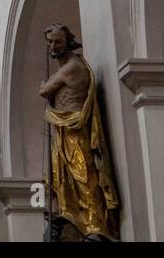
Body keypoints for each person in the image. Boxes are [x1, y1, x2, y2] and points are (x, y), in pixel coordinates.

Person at [39, 23, 120, 241]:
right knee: (62, 176)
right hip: (64, 129)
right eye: (50, 42)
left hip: (75, 128)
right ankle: (68, 216)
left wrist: (43, 84)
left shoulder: (72, 67)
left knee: (83, 175)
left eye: (58, 41)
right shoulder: (66, 67)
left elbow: (44, 90)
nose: (53, 47)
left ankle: (96, 225)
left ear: (69, 43)